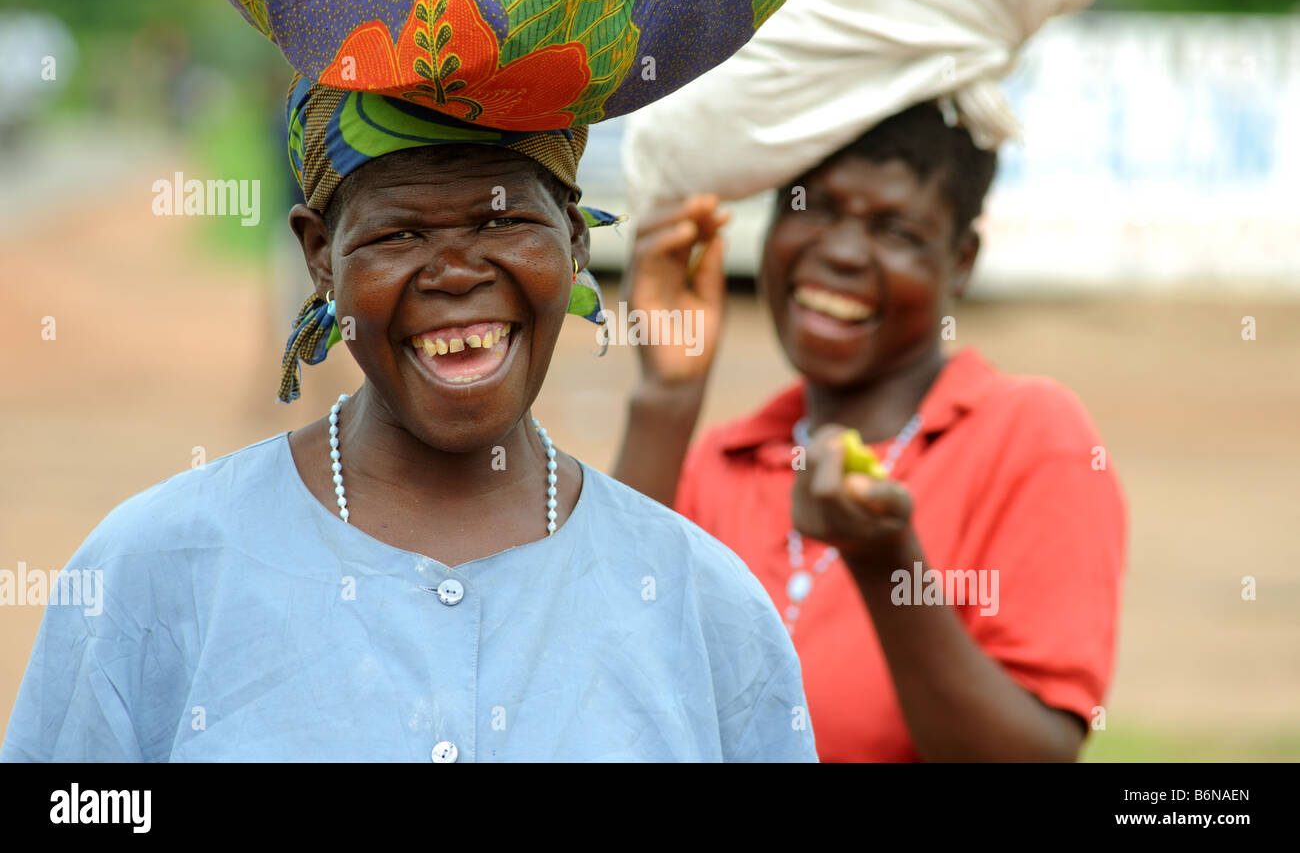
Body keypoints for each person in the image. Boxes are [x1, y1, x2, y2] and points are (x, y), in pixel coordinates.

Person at [0, 81, 817, 763]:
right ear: (321, 255)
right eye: (400, 232)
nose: (456, 270)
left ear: (573, 236)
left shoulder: (705, 608)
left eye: (503, 221)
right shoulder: (154, 571)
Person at [614, 100, 1128, 761]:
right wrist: (667, 395)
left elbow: (1035, 754)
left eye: (897, 232)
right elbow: (596, 687)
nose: (843, 251)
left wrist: (887, 564)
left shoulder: (1029, 438)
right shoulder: (722, 461)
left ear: (962, 261)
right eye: (815, 207)